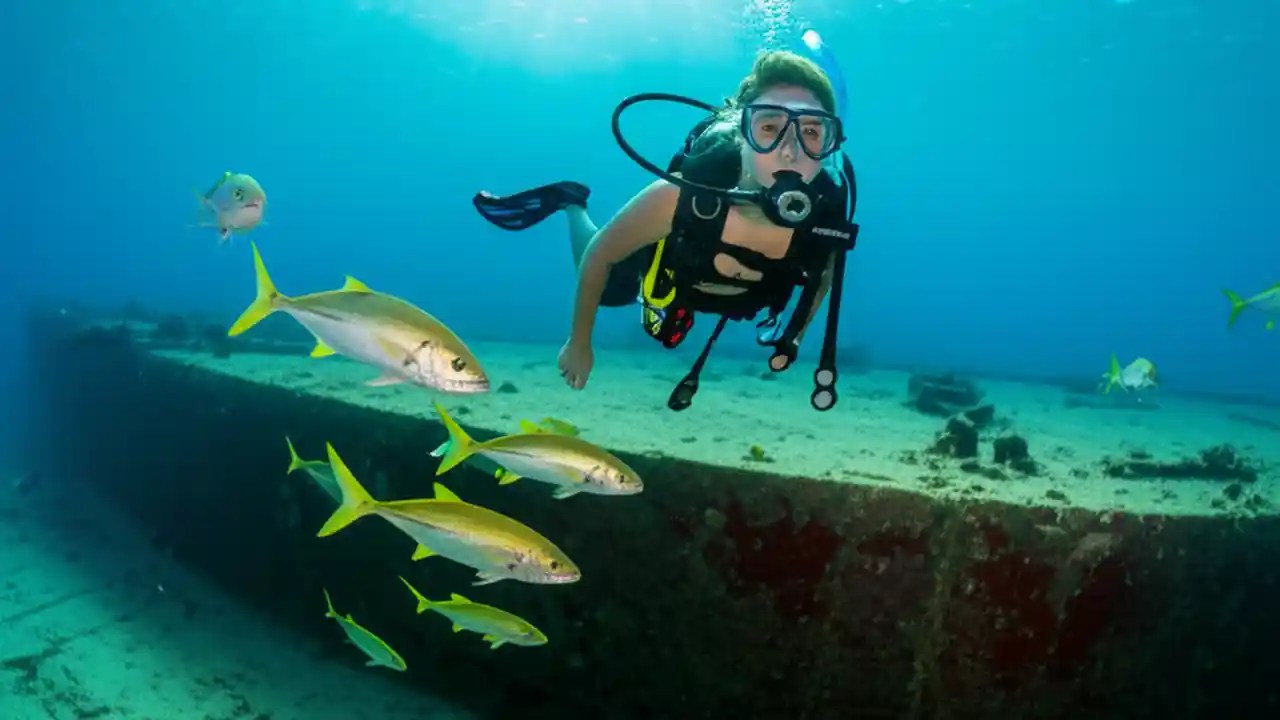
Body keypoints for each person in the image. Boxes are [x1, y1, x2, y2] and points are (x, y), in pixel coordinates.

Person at [473, 48, 860, 412]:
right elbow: (601, 255)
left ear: (829, 145)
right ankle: (573, 204)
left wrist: (794, 335)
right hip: (667, 268)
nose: (790, 151)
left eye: (811, 132)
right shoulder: (680, 196)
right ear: (742, 133)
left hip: (736, 295)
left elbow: (824, 275)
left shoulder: (824, 218)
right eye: (769, 127)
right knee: (610, 288)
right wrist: (579, 342)